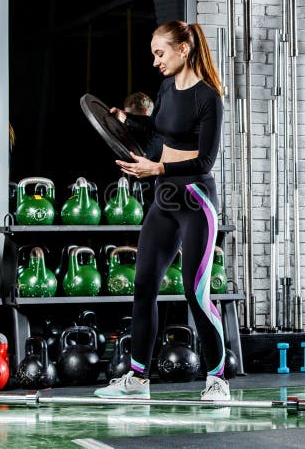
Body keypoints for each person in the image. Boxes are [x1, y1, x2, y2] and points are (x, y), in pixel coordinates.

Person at [94, 20, 229, 401]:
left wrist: (158, 169)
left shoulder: (209, 98)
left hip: (195, 201)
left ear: (183, 50)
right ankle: (137, 379)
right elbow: (158, 127)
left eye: (160, 53)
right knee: (143, 287)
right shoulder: (168, 88)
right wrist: (127, 120)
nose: (155, 61)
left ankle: (218, 379)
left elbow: (205, 160)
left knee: (195, 292)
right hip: (164, 199)